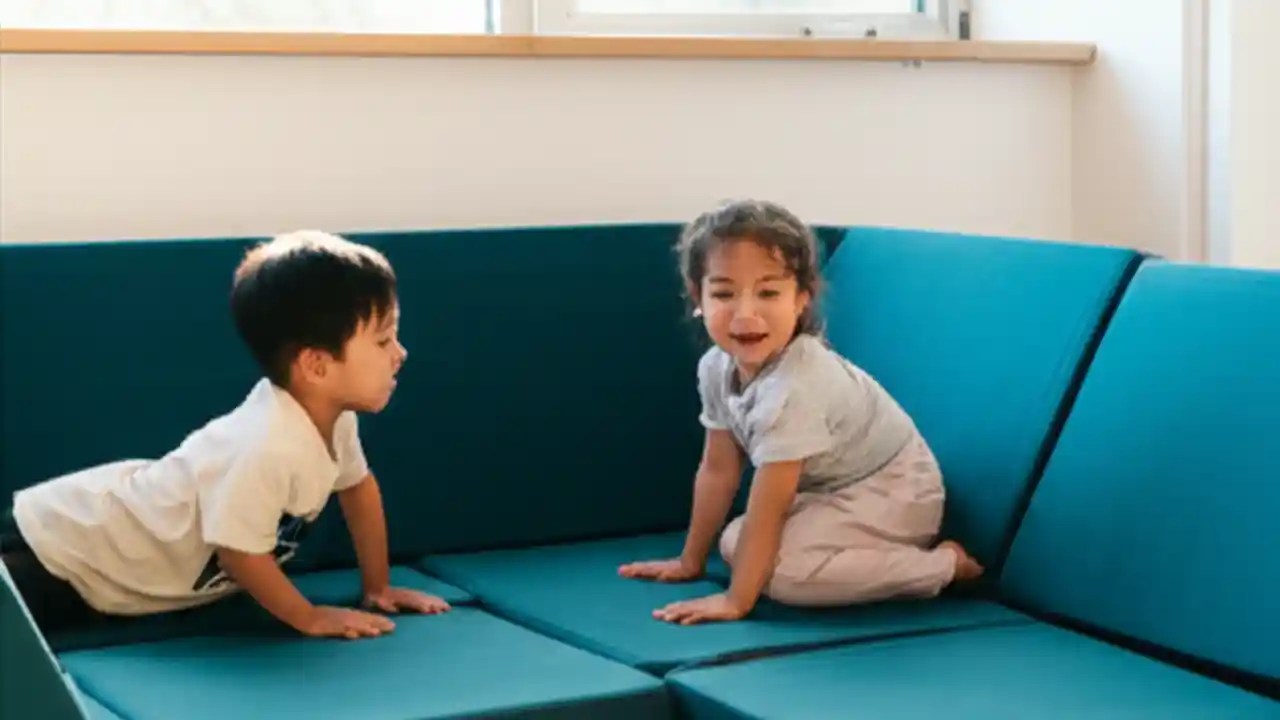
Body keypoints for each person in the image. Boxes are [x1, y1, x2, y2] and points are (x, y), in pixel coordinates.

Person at [2, 230, 449, 640]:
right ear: (316, 365)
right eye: (383, 341)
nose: (400, 353)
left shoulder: (335, 419)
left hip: (114, 579)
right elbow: (239, 554)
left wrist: (378, 587)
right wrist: (309, 616)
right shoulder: (266, 444)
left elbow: (359, 490)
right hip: (68, 548)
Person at [619, 200, 983, 625]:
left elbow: (771, 505)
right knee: (734, 542)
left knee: (786, 577)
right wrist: (690, 561)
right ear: (698, 297)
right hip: (823, 493)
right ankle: (856, 556)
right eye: (723, 293)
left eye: (769, 292)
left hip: (893, 491)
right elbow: (719, 470)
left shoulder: (794, 388)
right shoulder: (716, 367)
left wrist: (736, 601)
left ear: (801, 299)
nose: (746, 314)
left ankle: (943, 565)